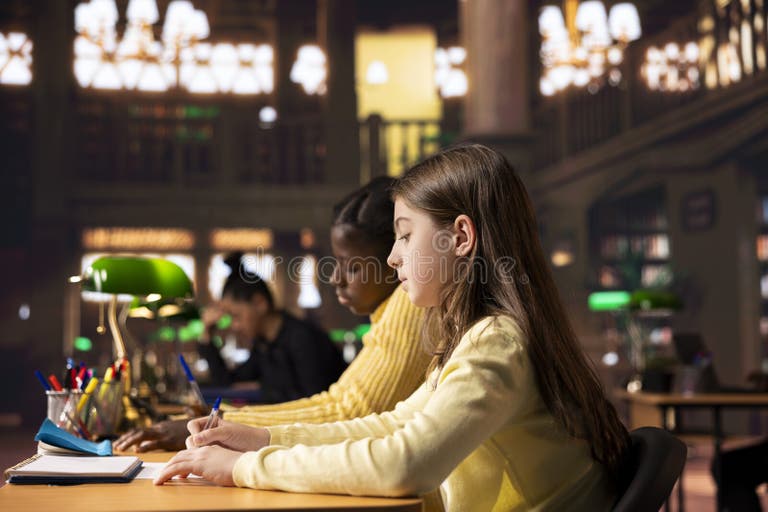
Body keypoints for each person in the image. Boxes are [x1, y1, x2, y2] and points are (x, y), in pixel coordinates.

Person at [153, 144, 630, 511]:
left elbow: (406, 464)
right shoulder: (478, 336)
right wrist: (262, 439)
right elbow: (395, 423)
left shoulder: (498, 342)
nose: (393, 256)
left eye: (405, 235)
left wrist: (244, 467)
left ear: (461, 237)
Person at [115, 177, 431, 451]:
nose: (336, 277)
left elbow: (347, 411)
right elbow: (339, 407)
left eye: (353, 265)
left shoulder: (406, 307)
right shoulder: (269, 344)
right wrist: (220, 418)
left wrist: (223, 424)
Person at [197, 251, 346, 402]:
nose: (235, 326)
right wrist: (207, 334)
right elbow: (227, 381)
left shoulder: (303, 338)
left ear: (259, 303)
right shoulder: (264, 344)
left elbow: (315, 402)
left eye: (236, 316)